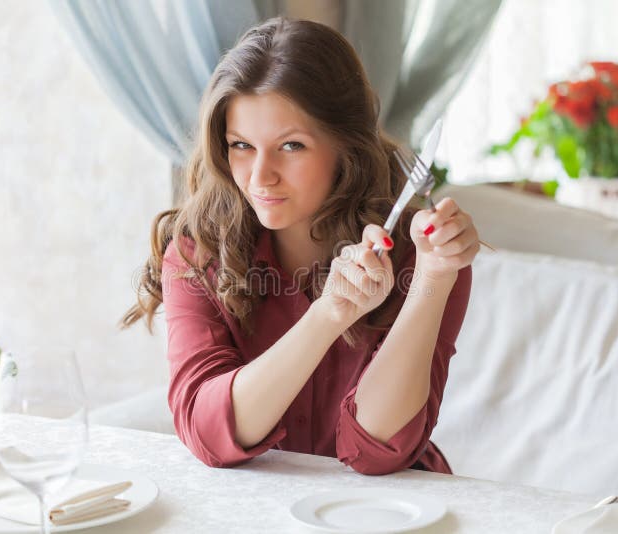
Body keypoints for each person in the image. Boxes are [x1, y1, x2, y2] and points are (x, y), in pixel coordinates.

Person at [122, 17, 480, 476]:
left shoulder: (424, 256)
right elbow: (208, 433)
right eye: (241, 145)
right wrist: (328, 315)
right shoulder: (197, 255)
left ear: (345, 146)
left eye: (291, 146)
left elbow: (380, 450)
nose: (259, 176)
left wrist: (432, 279)